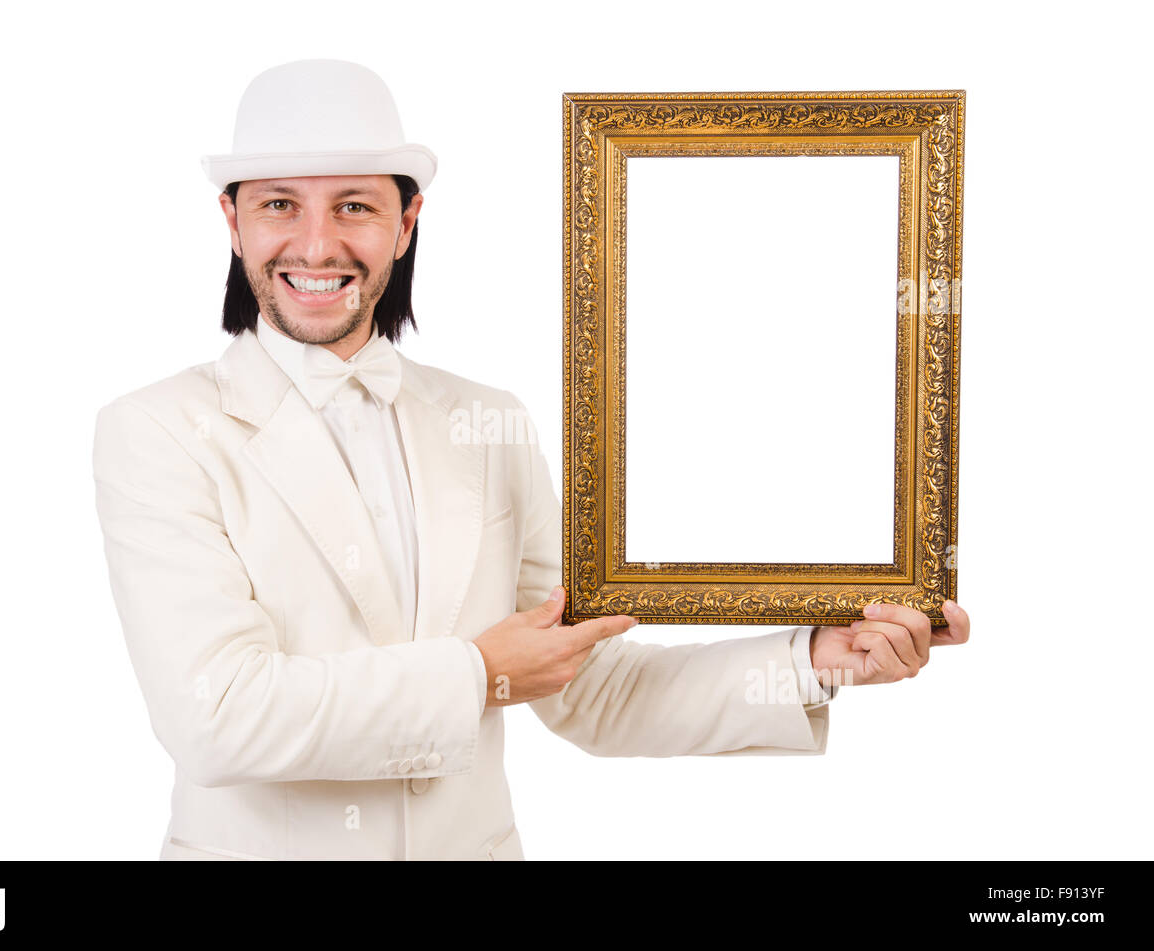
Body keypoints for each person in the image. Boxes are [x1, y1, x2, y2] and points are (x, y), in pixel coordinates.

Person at [91, 59, 971, 860]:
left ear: (406, 223)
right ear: (232, 221)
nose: (317, 244)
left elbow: (590, 687)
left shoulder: (486, 421)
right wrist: (481, 672)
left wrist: (816, 656)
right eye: (279, 202)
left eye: (353, 203)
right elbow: (217, 717)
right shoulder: (156, 431)